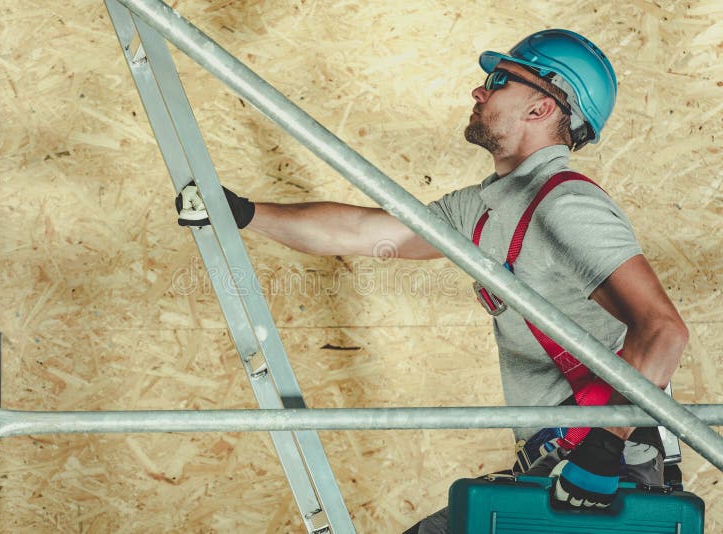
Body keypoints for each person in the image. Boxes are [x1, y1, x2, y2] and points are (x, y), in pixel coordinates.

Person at [175, 29, 688, 533]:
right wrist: (243, 214)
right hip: (556, 463)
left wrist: (603, 446)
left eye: (500, 79)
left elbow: (663, 330)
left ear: (541, 108)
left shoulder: (567, 206)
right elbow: (360, 231)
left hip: (606, 472)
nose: (479, 90)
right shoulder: (482, 210)